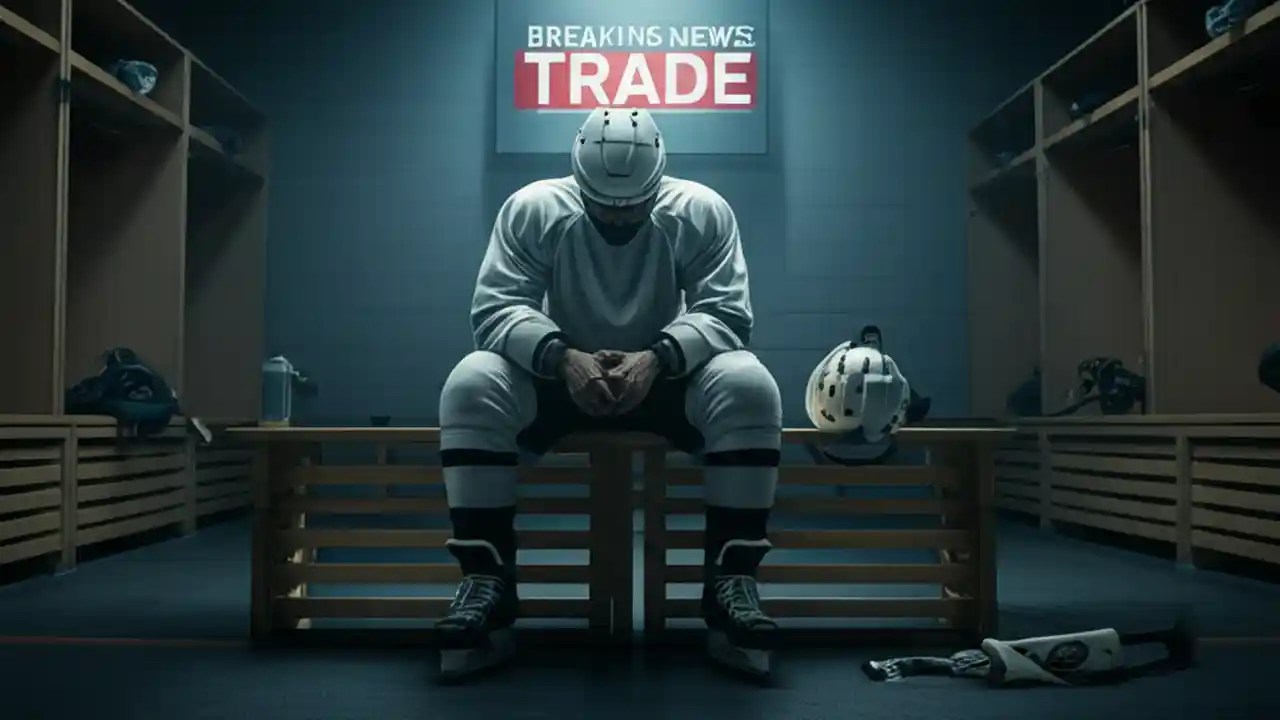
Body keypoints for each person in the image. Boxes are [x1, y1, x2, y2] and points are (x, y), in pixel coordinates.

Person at [434, 107, 782, 683]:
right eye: (603, 205)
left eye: (634, 205)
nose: (618, 216)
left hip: (665, 379)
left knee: (749, 383)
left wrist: (658, 358)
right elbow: (494, 310)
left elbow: (727, 313)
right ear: (578, 177)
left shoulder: (701, 209)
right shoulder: (533, 207)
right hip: (560, 379)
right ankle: (486, 582)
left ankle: (731, 582)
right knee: (472, 381)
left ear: (659, 178)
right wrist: (563, 358)